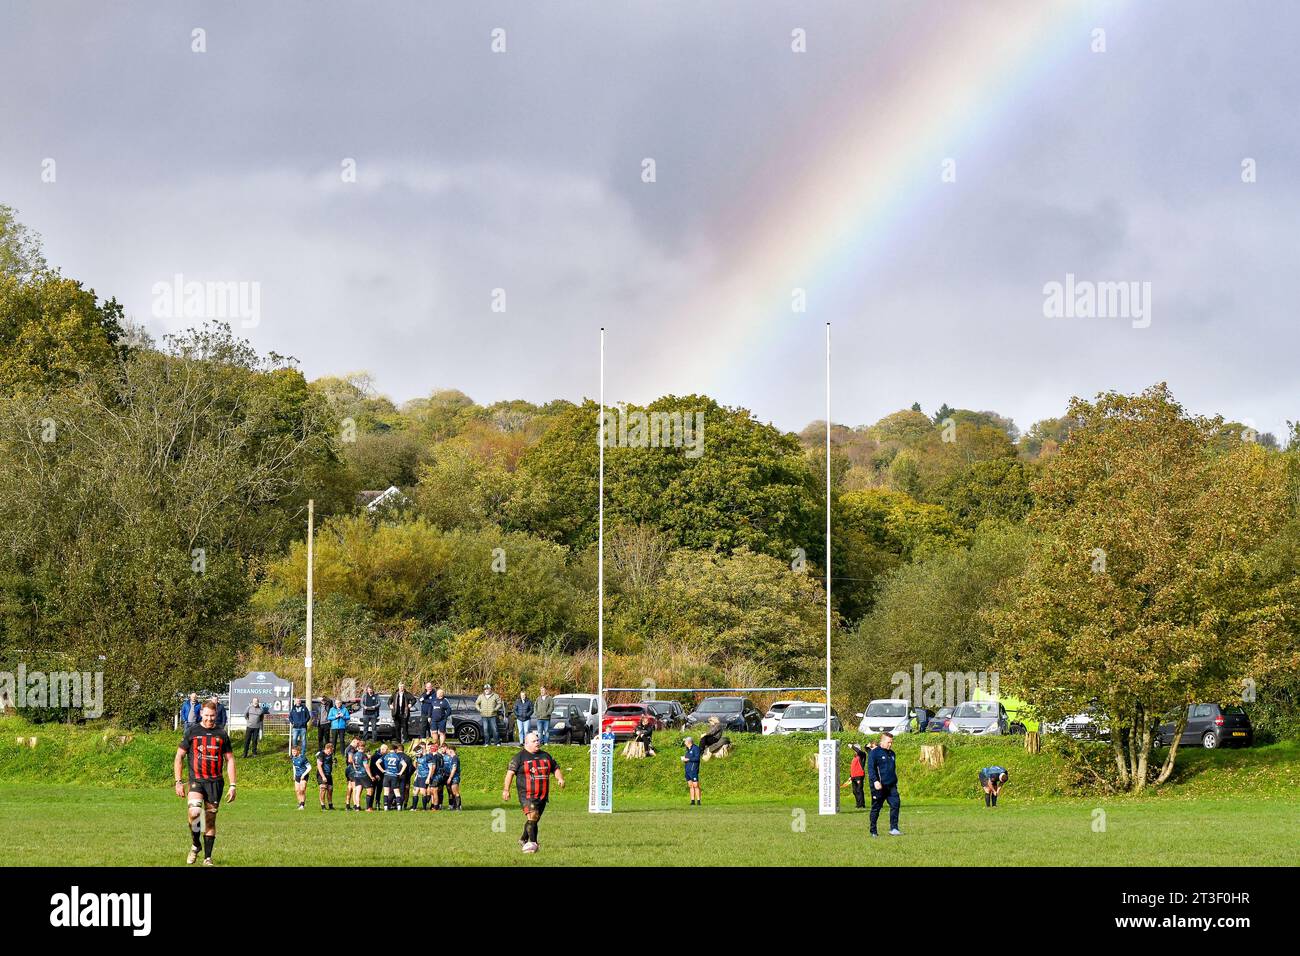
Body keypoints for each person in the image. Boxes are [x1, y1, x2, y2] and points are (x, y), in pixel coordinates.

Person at [174, 699, 236, 866]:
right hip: (197, 781)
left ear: (217, 715)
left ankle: (207, 858)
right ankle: (195, 844)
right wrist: (178, 781)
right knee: (194, 812)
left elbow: (229, 759)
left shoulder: (222, 734)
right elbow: (179, 756)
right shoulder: (192, 731)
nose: (209, 719)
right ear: (201, 713)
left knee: (209, 820)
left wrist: (233, 785)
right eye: (207, 715)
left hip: (215, 783)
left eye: (213, 716)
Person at [502, 731, 564, 853]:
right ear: (526, 743)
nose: (537, 742)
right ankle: (534, 844)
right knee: (533, 816)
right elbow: (510, 774)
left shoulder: (546, 756)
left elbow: (555, 768)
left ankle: (523, 839)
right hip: (527, 795)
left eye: (538, 740)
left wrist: (560, 778)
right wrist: (506, 790)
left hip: (542, 795)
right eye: (534, 741)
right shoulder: (519, 757)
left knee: (534, 819)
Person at [867, 731, 902, 837]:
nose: (890, 744)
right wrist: (875, 781)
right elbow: (871, 769)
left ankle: (894, 828)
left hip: (891, 786)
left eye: (891, 742)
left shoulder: (892, 754)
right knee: (876, 808)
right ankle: (873, 830)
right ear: (882, 741)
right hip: (879, 786)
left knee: (896, 804)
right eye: (888, 742)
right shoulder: (874, 753)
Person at [842, 742, 873, 809]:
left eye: (855, 749)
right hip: (853, 776)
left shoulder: (862, 754)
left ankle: (861, 805)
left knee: (859, 790)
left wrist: (852, 746)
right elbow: (853, 767)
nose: (854, 751)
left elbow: (858, 751)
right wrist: (850, 776)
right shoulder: (855, 757)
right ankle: (858, 804)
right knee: (854, 791)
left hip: (859, 775)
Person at [316, 741, 336, 811]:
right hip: (322, 774)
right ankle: (323, 806)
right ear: (326, 748)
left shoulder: (331, 754)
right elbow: (319, 766)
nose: (330, 752)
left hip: (329, 774)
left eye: (331, 751)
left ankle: (330, 805)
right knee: (323, 788)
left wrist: (334, 763)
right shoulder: (321, 754)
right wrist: (323, 776)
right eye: (329, 751)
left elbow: (330, 763)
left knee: (330, 789)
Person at [682, 736, 702, 805]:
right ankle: (692, 801)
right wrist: (684, 760)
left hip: (693, 770)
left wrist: (688, 759)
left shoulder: (695, 748)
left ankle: (698, 801)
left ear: (689, 742)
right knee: (690, 785)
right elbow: (688, 758)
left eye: (685, 741)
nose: (684, 743)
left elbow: (697, 758)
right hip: (687, 770)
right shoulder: (688, 749)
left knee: (696, 785)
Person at [442, 743, 462, 810]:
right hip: (452, 777)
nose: (447, 752)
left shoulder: (455, 758)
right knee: (453, 792)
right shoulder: (452, 758)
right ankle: (454, 806)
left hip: (455, 777)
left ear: (451, 751)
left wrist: (450, 778)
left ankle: (458, 807)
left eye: (448, 750)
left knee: (455, 792)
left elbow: (454, 768)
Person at [368, 744, 387, 811]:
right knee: (372, 791)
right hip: (374, 776)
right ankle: (370, 805)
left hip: (382, 776)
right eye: (386, 750)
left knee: (379, 791)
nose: (387, 751)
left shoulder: (385, 756)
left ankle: (377, 803)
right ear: (382, 749)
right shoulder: (374, 756)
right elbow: (372, 767)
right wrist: (375, 774)